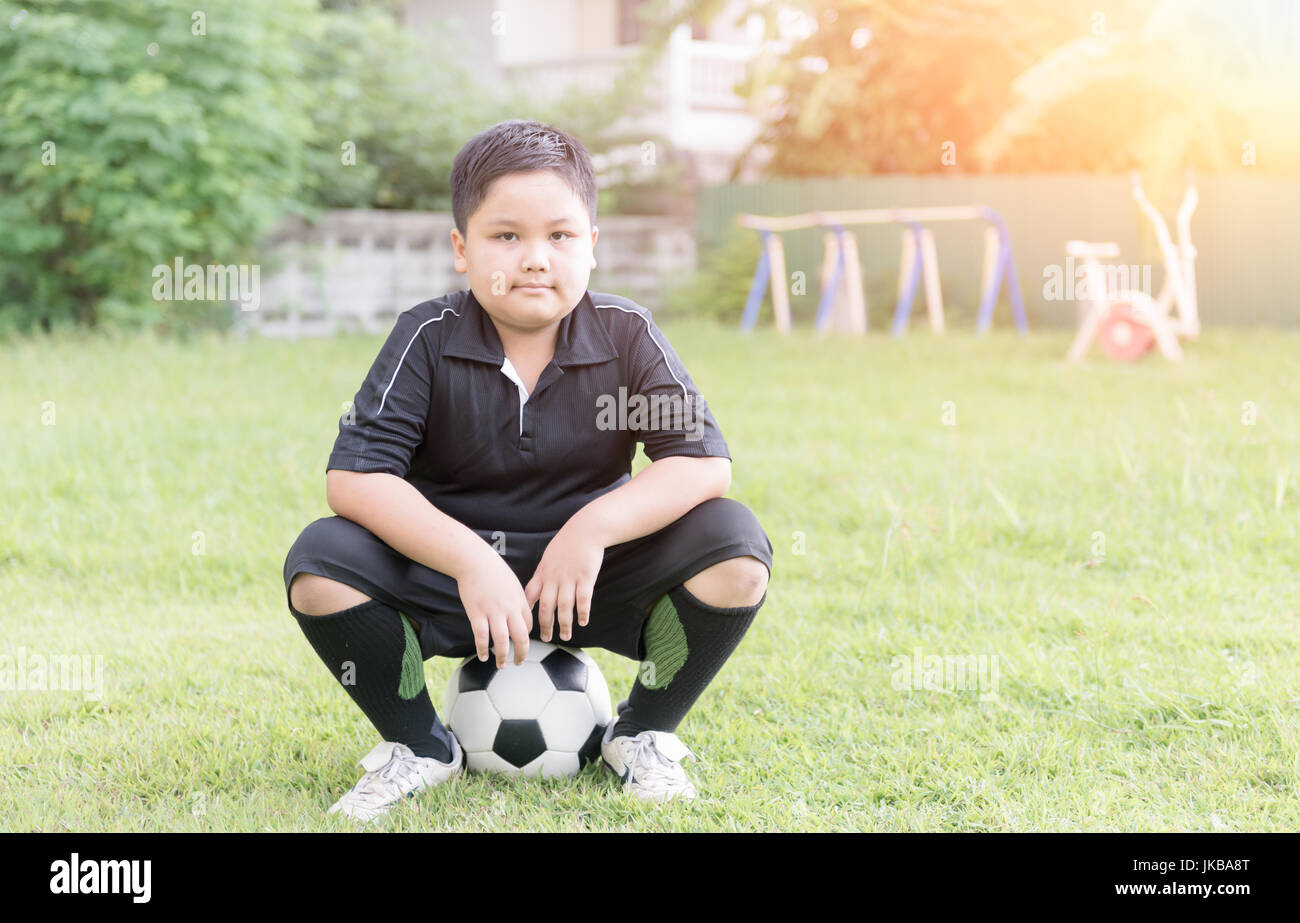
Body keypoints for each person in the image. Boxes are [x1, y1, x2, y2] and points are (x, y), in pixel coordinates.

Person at [282, 119, 773, 822]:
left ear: (593, 247)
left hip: (586, 580)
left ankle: (642, 733)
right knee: (319, 560)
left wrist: (594, 528)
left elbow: (702, 463)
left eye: (561, 236)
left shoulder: (626, 333)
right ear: (462, 248)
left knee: (735, 542)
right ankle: (419, 745)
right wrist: (470, 560)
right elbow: (356, 479)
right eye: (506, 236)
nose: (535, 258)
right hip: (454, 582)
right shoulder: (426, 338)